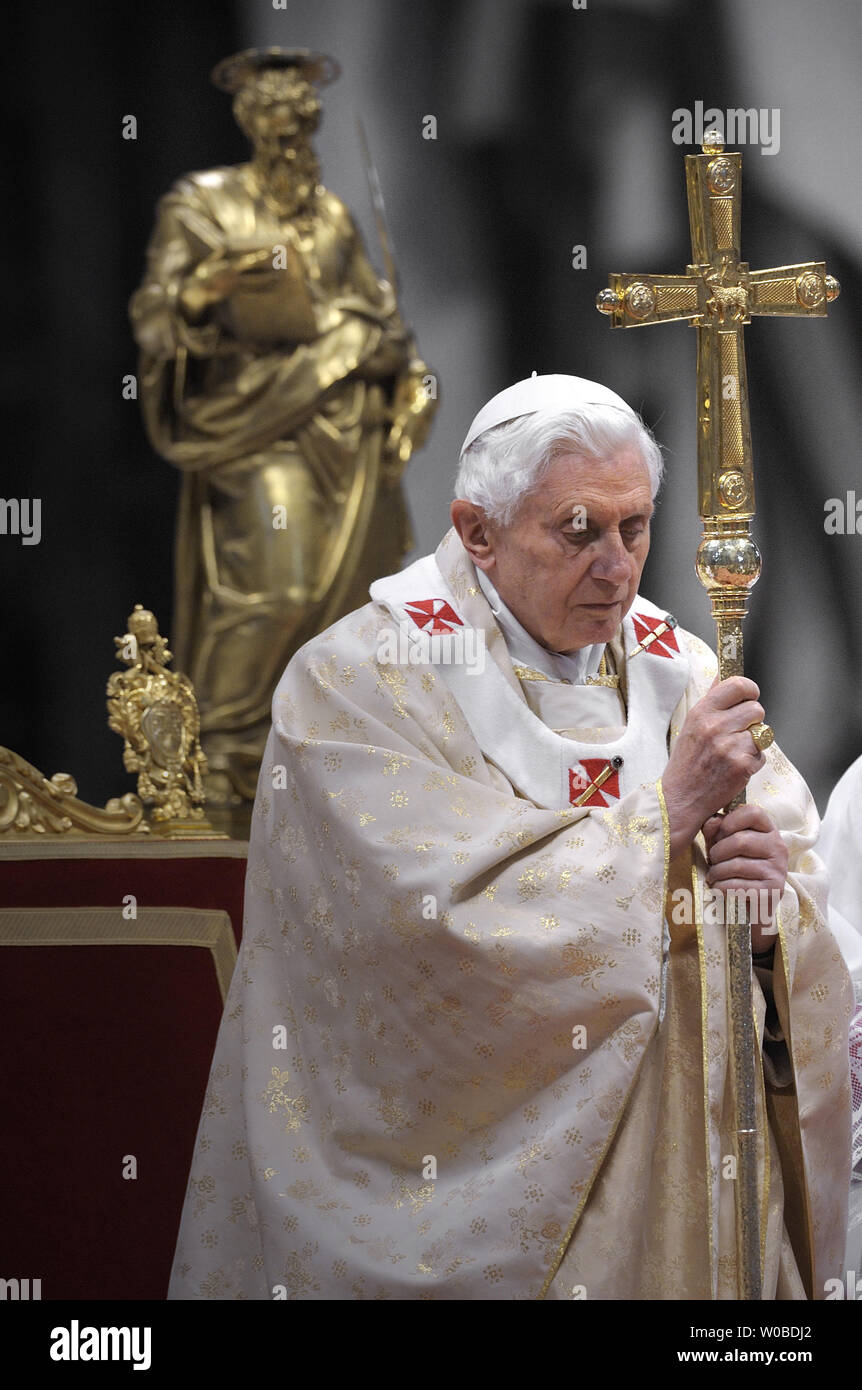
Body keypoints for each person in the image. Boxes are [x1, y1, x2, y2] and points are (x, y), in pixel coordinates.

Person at [169, 374, 852, 1300]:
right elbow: (421, 940)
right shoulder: (358, 686)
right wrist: (663, 820)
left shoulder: (684, 671)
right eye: (579, 530)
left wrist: (771, 922)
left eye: (636, 528)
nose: (616, 566)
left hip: (695, 1198)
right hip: (498, 1218)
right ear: (477, 530)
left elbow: (802, 909)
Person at [129, 49, 435, 823]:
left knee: (347, 612)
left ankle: (321, 760)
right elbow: (155, 315)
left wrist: (410, 379)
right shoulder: (202, 205)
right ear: (248, 121)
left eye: (303, 120)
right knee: (279, 589)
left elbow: (377, 314)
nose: (291, 132)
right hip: (257, 427)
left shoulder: (330, 214)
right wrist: (208, 289)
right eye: (275, 118)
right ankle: (224, 761)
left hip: (348, 431)